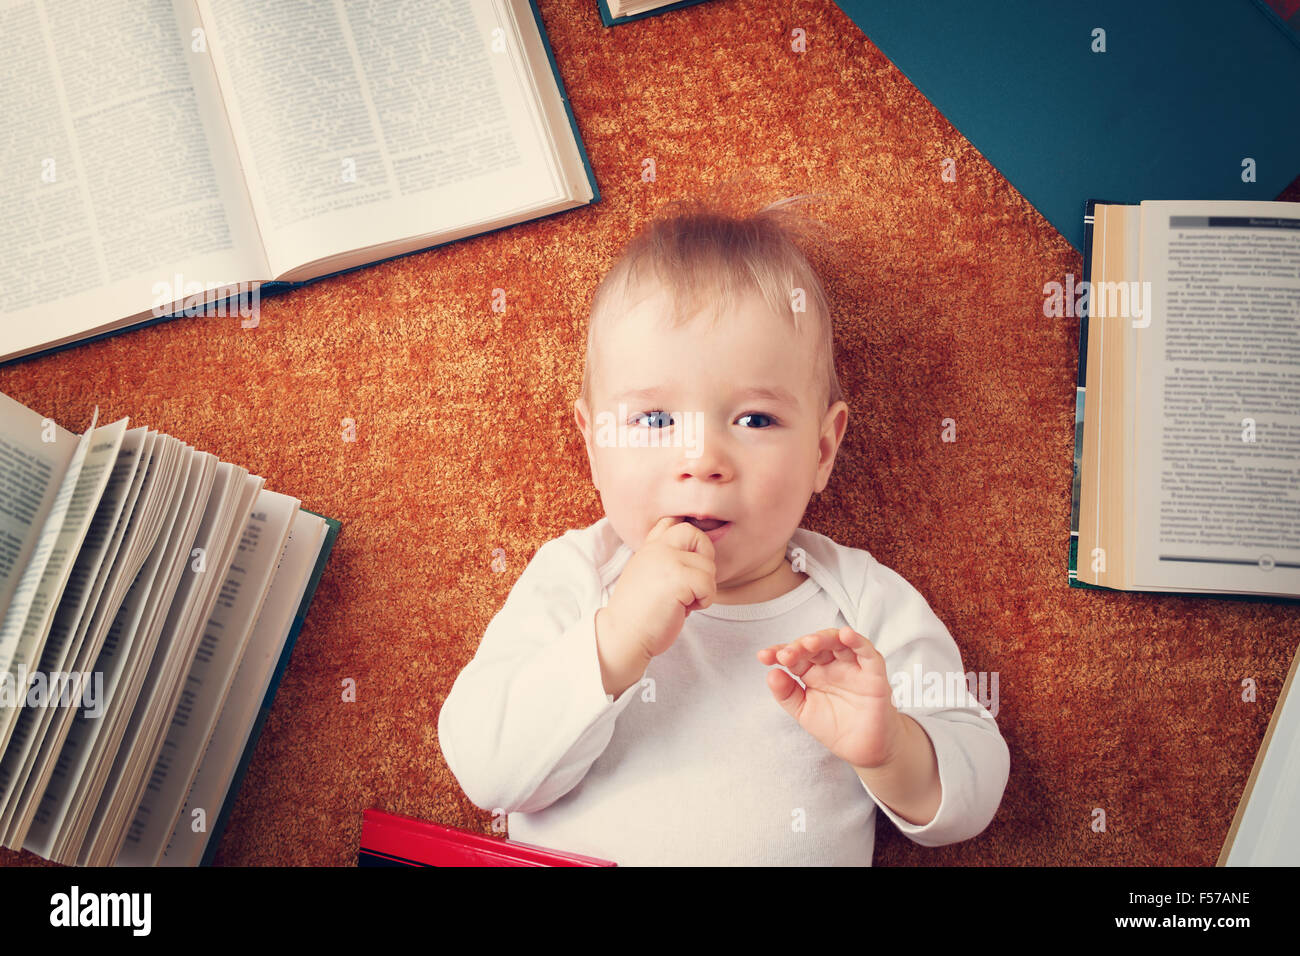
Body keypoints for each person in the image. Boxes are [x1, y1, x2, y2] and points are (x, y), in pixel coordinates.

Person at [437, 194, 1010, 865]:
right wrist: (615, 640)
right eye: (654, 421)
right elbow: (487, 770)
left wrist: (891, 748)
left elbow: (974, 788)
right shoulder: (577, 577)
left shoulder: (861, 604)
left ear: (822, 451)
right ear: (592, 446)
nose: (703, 461)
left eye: (755, 420)